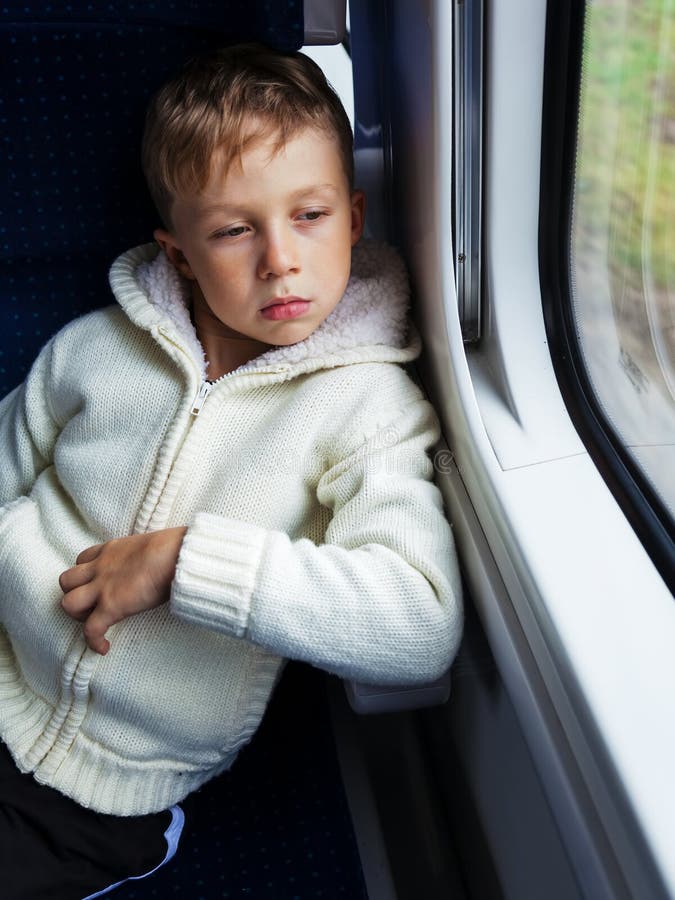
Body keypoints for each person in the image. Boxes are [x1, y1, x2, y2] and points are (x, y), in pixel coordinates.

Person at [0, 43, 462, 898]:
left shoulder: (367, 407)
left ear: (355, 219)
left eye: (309, 216)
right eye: (234, 229)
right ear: (178, 253)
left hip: (103, 794)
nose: (280, 259)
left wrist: (185, 564)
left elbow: (418, 622)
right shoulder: (94, 350)